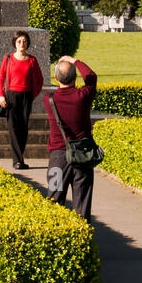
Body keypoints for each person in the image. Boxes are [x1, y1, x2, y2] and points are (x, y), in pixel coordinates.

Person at [44, 57, 98, 221]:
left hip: (57, 157)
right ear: (75, 78)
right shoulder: (82, 96)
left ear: (56, 79)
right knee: (82, 203)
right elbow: (91, 77)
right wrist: (75, 61)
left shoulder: (49, 99)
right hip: (82, 155)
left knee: (54, 199)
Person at [0, 30, 44, 170]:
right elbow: (0, 78)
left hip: (26, 96)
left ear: (27, 43)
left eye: (24, 41)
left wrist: (32, 95)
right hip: (11, 96)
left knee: (23, 128)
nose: (22, 44)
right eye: (19, 41)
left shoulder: (32, 60)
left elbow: (40, 80)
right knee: (13, 127)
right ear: (15, 43)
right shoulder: (8, 58)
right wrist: (1, 95)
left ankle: (19, 158)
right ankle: (17, 160)